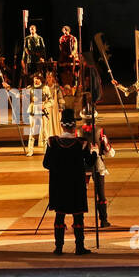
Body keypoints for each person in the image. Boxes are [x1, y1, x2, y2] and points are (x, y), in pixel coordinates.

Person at [43, 108, 95, 254]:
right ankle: (79, 247)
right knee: (78, 215)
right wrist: (95, 153)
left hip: (59, 185)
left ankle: (58, 247)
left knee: (60, 215)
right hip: (76, 185)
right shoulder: (81, 143)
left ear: (62, 125)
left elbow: (46, 164)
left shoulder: (53, 142)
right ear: (74, 126)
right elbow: (90, 162)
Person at [78, 103, 115, 228]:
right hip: (97, 164)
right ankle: (103, 220)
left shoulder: (78, 131)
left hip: (83, 165)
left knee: (81, 194)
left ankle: (79, 221)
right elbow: (107, 149)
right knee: (101, 193)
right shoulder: (100, 130)